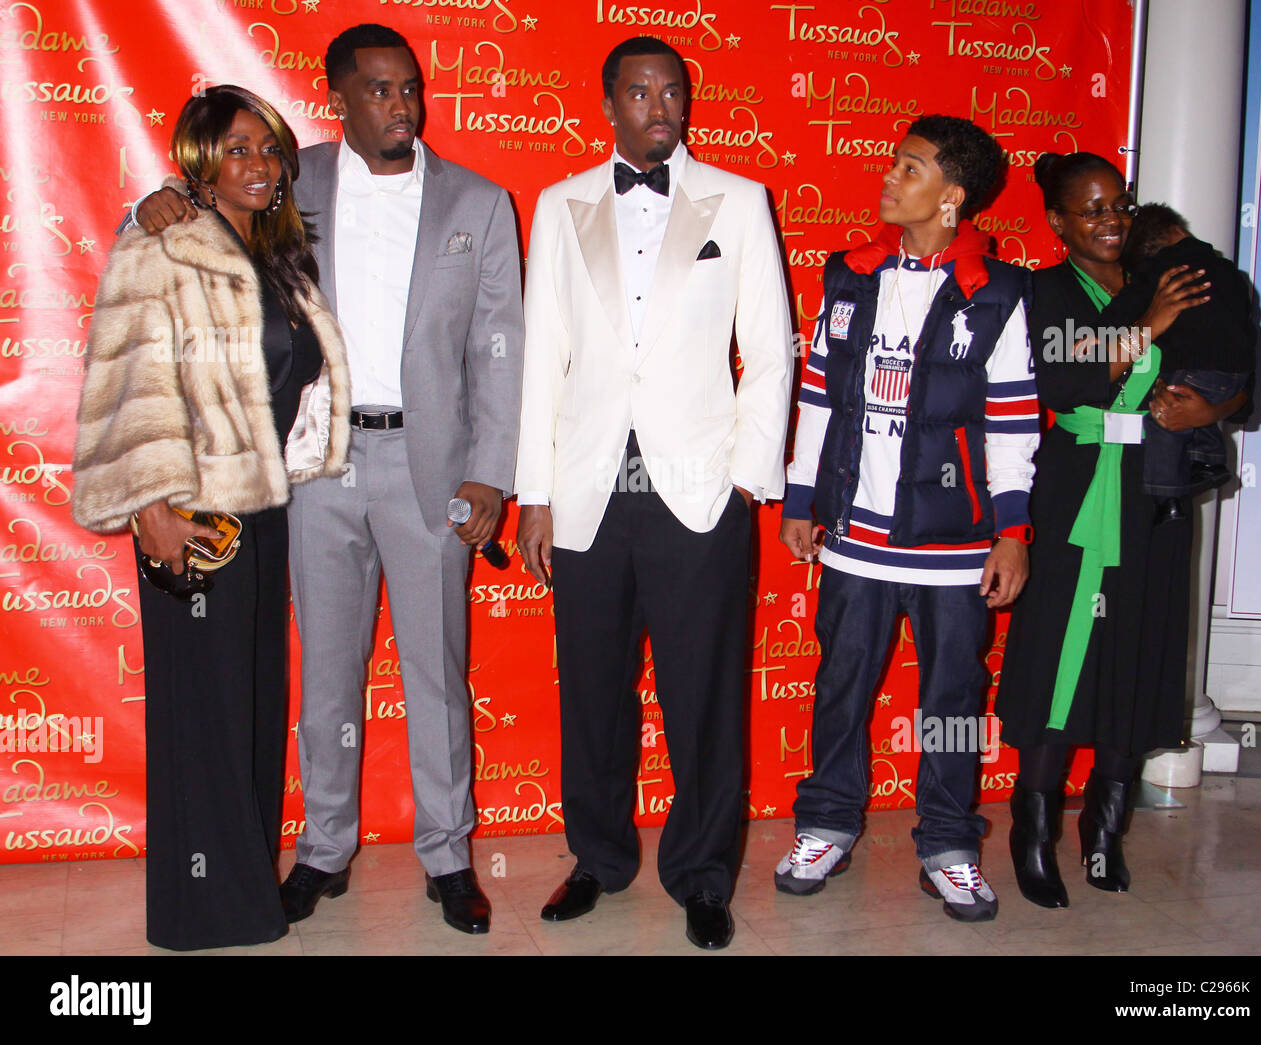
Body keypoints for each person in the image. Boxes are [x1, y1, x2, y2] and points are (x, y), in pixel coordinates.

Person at [134, 24, 524, 935]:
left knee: (437, 671)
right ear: (338, 96)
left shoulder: (479, 201)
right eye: (380, 91)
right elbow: (186, 221)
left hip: (433, 472)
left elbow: (497, 354)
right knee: (325, 677)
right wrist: (159, 196)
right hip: (316, 465)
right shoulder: (288, 180)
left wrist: (491, 475)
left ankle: (449, 853)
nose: (402, 107)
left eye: (411, 90)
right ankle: (323, 848)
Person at [514, 36, 793, 950]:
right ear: (608, 105)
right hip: (592, 483)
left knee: (704, 693)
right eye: (640, 92)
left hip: (698, 488)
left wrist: (749, 478)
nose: (659, 106)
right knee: (592, 688)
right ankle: (597, 856)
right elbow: (542, 358)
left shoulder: (740, 201)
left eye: (672, 91)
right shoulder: (560, 205)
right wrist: (536, 493)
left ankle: (704, 873)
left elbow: (771, 348)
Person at [72, 86, 351, 951]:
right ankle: (202, 911)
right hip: (191, 514)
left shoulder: (273, 250)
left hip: (258, 515)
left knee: (251, 714)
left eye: (269, 149)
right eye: (237, 150)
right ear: (198, 162)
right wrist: (151, 505)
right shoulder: (162, 245)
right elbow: (133, 385)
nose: (260, 165)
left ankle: (241, 895)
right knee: (205, 717)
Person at [775, 116, 1038, 923]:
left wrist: (1011, 531)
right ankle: (826, 824)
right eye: (895, 162)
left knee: (956, 700)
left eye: (911, 167)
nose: (889, 176)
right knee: (842, 686)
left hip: (953, 545)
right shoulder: (851, 275)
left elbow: (1013, 416)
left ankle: (951, 843)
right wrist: (800, 495)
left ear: (952, 198)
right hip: (855, 534)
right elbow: (818, 391)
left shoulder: (998, 292)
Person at [996, 152, 1247, 908]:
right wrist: (1151, 324)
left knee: (1136, 652)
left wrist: (1214, 409)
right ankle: (1031, 830)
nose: (1111, 222)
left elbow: (1228, 362)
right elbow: (1064, 377)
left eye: (1120, 206)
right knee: (1060, 661)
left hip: (1155, 493)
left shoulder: (1165, 272)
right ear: (1058, 222)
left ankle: (1105, 832)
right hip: (1076, 492)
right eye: (1092, 210)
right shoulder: (1040, 288)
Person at [1111, 203, 1254, 522]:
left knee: (1163, 420)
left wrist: (1109, 322)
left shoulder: (1163, 269)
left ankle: (1166, 497)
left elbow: (1122, 312)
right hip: (1234, 375)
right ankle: (1209, 461)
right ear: (1178, 229)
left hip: (1192, 369)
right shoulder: (1229, 272)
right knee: (1197, 403)